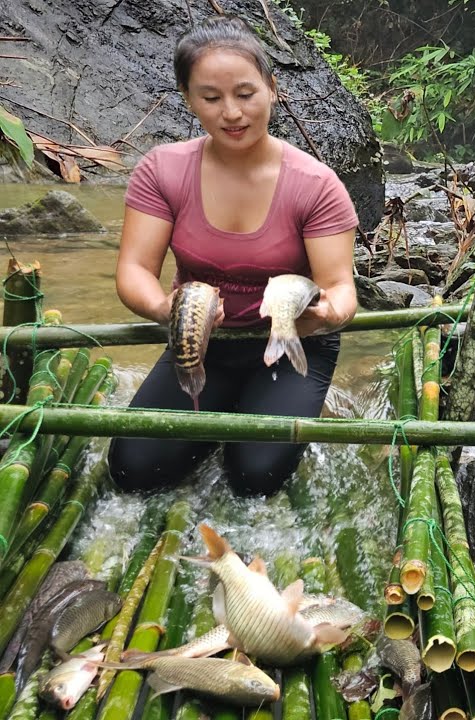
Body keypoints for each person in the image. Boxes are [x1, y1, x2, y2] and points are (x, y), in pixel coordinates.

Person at [109, 15, 359, 497]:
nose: (231, 113)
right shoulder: (162, 170)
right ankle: (232, 405)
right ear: (187, 99)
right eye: (211, 97)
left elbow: (340, 285)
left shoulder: (316, 185)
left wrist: (328, 313)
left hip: (293, 344)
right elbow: (135, 271)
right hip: (203, 344)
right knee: (133, 468)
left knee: (255, 476)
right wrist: (172, 312)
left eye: (245, 94)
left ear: (271, 88)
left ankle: (275, 404)